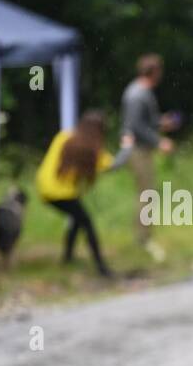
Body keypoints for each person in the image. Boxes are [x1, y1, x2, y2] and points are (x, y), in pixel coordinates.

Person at [35, 110, 129, 278]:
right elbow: (114, 165)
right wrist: (127, 147)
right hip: (62, 193)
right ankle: (101, 267)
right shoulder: (94, 150)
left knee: (78, 219)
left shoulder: (63, 137)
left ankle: (68, 258)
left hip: (44, 187)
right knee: (87, 222)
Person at [120, 53, 176, 262]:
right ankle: (143, 239)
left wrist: (161, 123)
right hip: (138, 150)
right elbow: (135, 126)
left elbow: (142, 121)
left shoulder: (140, 92)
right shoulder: (138, 94)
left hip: (141, 148)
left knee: (148, 193)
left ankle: (144, 236)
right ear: (154, 72)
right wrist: (158, 141)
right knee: (147, 194)